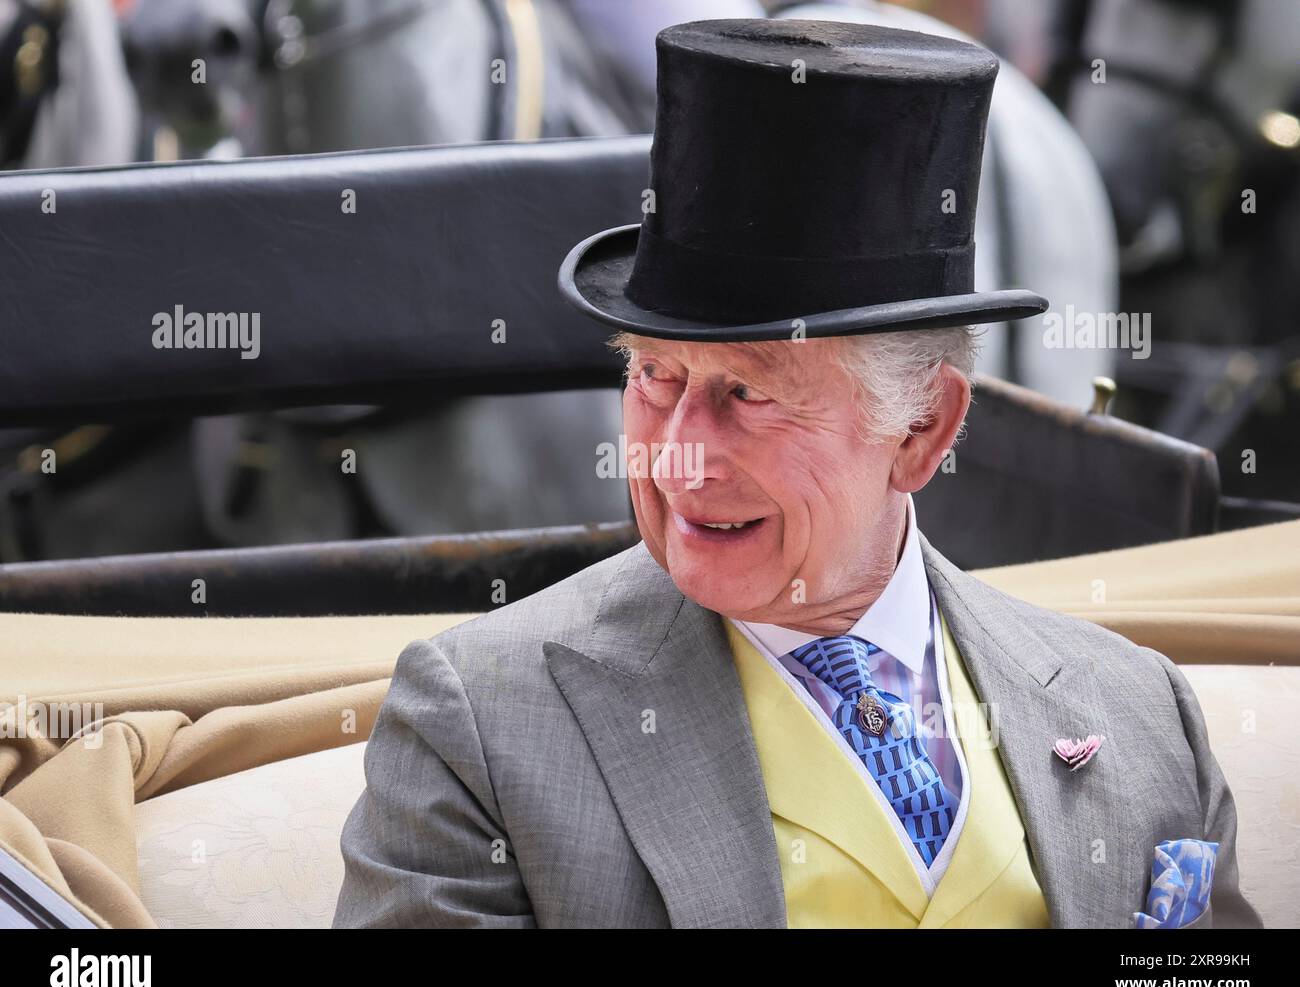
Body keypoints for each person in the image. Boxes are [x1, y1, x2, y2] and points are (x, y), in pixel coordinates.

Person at [333, 19, 1260, 929]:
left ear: (923, 429)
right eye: (655, 375)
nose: (677, 450)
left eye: (749, 393)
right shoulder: (478, 728)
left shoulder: (1140, 712)